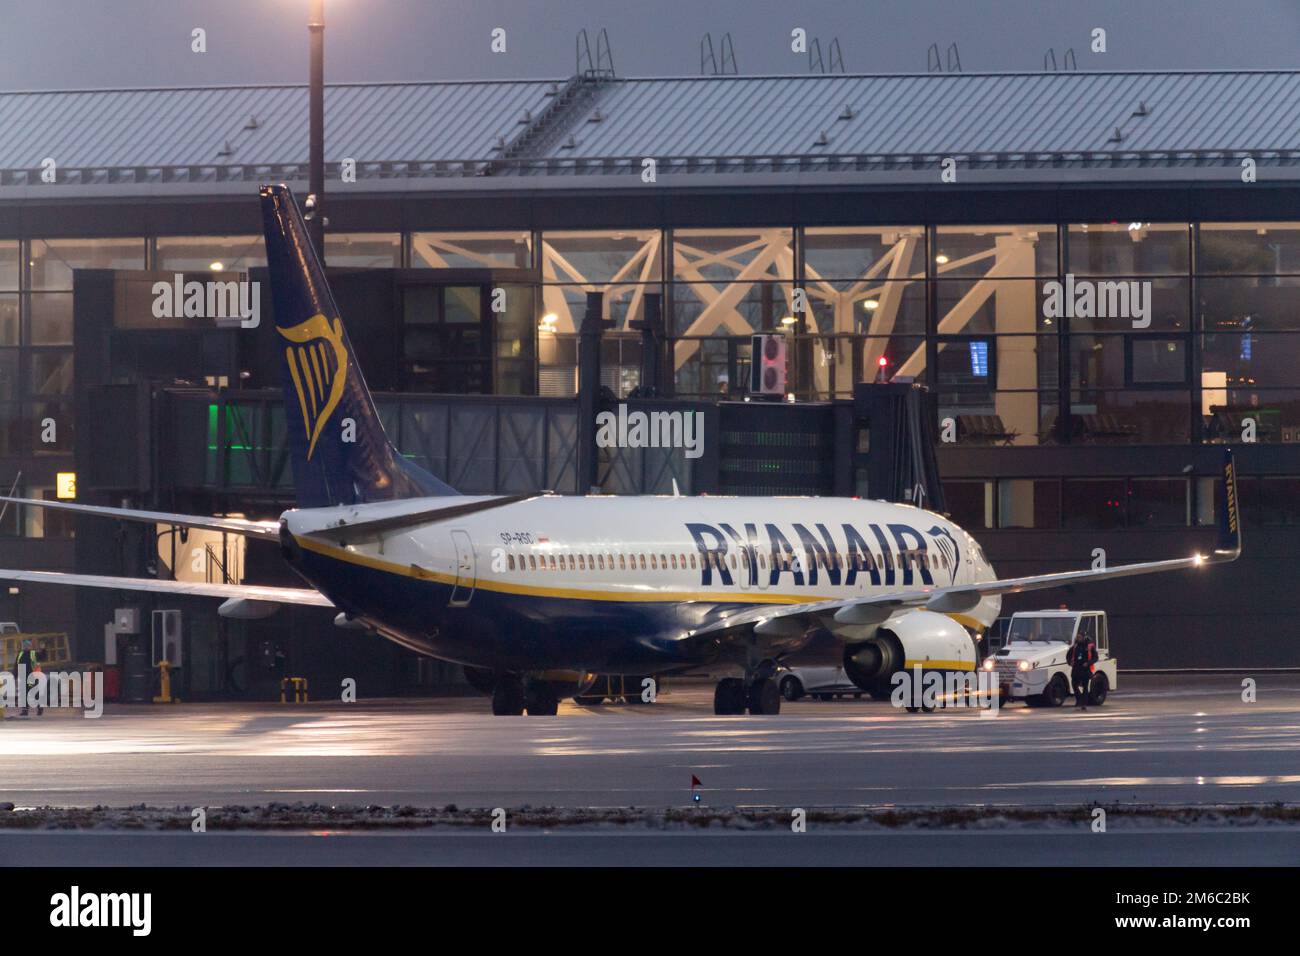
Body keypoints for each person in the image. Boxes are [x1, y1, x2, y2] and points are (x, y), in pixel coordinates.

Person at [1066, 628, 1098, 711]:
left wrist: (1088, 663)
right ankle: (1078, 699)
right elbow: (1068, 656)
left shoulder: (1090, 646)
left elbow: (1095, 658)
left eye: (1080, 637)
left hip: (1085, 669)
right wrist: (1070, 662)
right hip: (1076, 668)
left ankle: (1084, 703)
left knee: (1085, 686)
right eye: (1077, 637)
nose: (1078, 639)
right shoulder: (1075, 646)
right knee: (1074, 684)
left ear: (1084, 637)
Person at [14, 638, 42, 717]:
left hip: (32, 676)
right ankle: (25, 711)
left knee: (34, 693)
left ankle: (39, 707)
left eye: (27, 646)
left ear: (30, 646)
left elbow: (42, 657)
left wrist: (43, 649)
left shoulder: (33, 653)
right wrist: (15, 676)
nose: (26, 647)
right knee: (24, 694)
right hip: (23, 676)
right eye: (24, 646)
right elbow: (16, 665)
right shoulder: (20, 654)